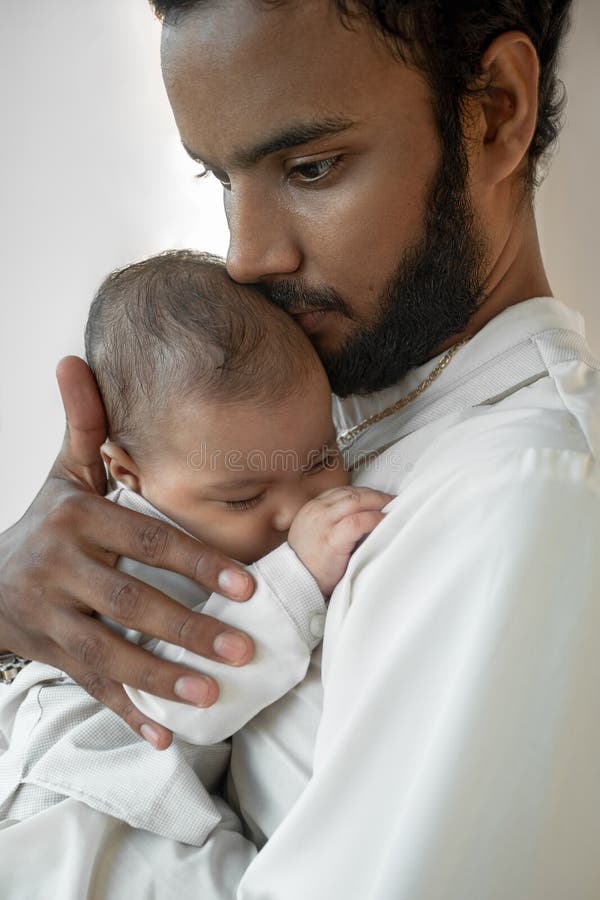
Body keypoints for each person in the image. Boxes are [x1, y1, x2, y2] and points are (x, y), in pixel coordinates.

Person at [1, 0, 599, 897]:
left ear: (498, 110)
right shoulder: (324, 406)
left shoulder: (520, 496)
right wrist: (28, 624)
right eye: (219, 180)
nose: (246, 254)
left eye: (312, 167)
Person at [0, 249, 388, 846]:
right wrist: (296, 578)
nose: (292, 511)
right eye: (242, 498)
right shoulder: (118, 560)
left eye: (320, 459)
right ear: (127, 475)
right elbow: (185, 698)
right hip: (81, 804)